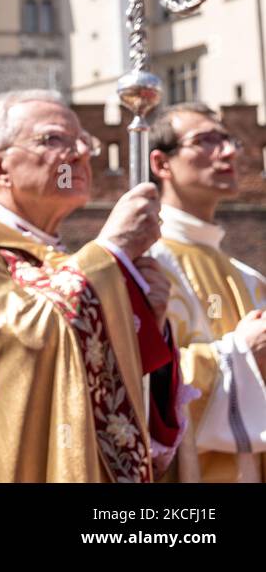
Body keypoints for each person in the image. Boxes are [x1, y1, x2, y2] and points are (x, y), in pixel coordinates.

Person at [0, 89, 182, 481]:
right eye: (53, 139)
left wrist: (145, 325)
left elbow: (96, 385)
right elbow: (16, 350)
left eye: (83, 141)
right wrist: (112, 250)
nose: (80, 153)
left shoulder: (66, 261)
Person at [148, 102, 266, 481]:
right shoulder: (147, 263)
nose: (228, 151)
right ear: (161, 164)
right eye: (205, 141)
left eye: (227, 140)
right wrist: (240, 354)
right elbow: (134, 383)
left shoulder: (248, 277)